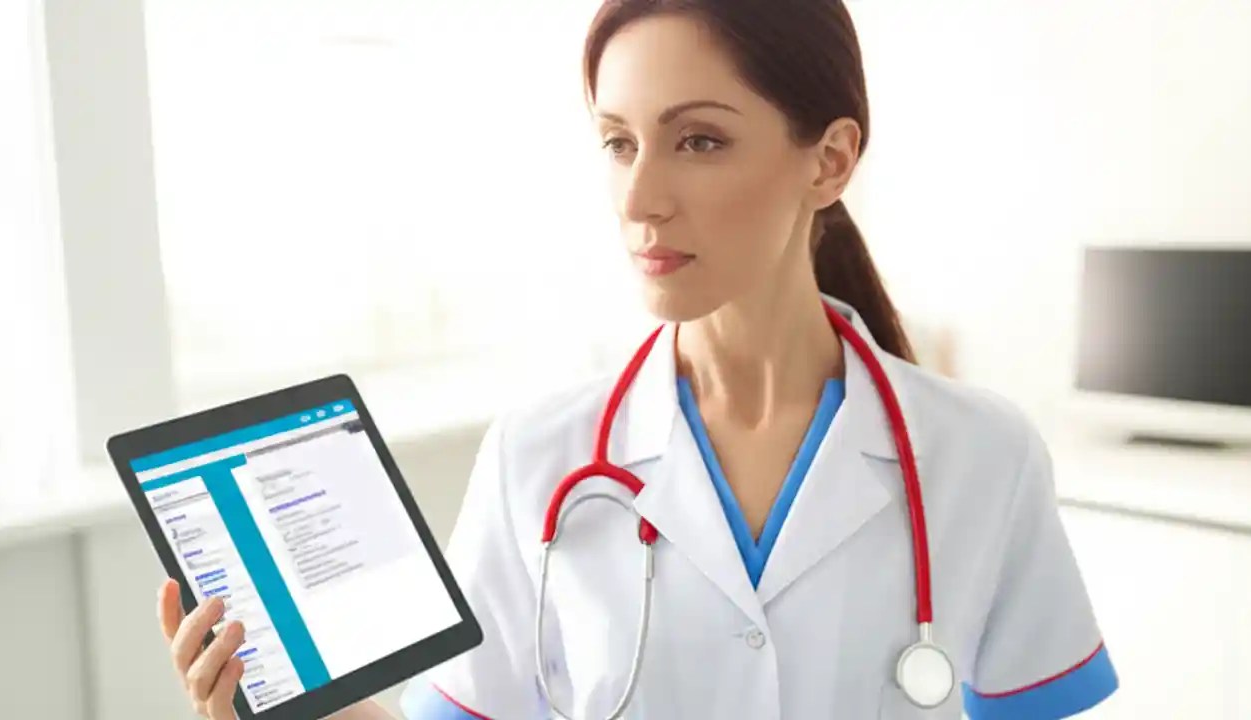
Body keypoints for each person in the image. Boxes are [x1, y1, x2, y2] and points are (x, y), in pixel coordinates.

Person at [157, 1, 1120, 718]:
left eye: (697, 140)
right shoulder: (537, 456)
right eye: (619, 143)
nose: (640, 199)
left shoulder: (981, 454)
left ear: (827, 160)